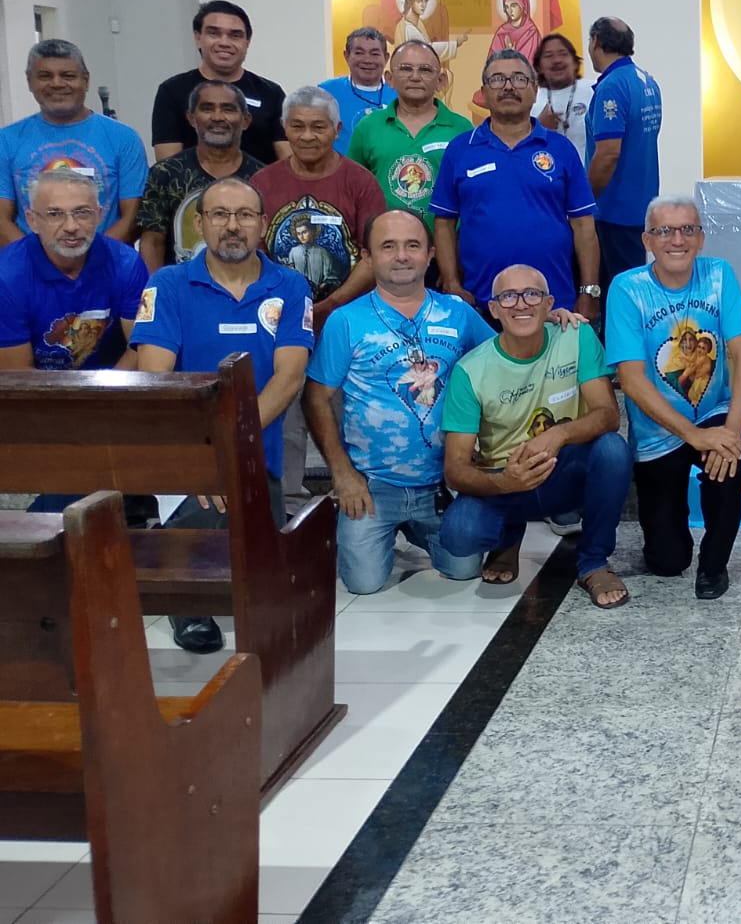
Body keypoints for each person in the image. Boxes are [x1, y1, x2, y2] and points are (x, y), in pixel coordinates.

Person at [131, 176, 315, 653]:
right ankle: (184, 598)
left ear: (264, 224)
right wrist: (206, 458)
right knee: (206, 520)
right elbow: (158, 380)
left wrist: (235, 444)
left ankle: (188, 560)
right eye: (219, 215)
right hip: (188, 453)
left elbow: (289, 378)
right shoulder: (167, 284)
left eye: (245, 215)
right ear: (199, 223)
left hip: (259, 456)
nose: (232, 226)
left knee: (264, 587)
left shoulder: (291, 286)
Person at [303, 210, 495, 593]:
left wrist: (551, 322)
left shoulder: (458, 313)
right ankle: (374, 530)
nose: (402, 256)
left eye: (412, 246)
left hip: (443, 484)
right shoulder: (346, 321)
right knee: (363, 584)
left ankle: (420, 532)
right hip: (371, 487)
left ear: (430, 255)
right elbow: (316, 398)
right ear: (368, 257)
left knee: (464, 569)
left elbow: (505, 359)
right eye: (388, 247)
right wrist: (341, 473)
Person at [438, 263, 631, 600]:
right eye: (509, 297)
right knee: (459, 535)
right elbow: (454, 469)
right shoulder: (470, 371)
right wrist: (504, 482)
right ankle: (507, 538)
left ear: (549, 303)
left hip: (563, 470)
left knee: (612, 450)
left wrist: (558, 435)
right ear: (494, 309)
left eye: (532, 294)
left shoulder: (576, 336)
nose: (522, 304)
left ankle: (594, 562)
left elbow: (607, 415)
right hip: (504, 478)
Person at [608, 196, 741, 601]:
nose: (677, 239)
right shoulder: (627, 289)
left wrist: (731, 432)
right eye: (665, 231)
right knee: (667, 560)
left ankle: (714, 565)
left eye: (688, 229)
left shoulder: (719, 275)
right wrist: (694, 436)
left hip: (713, 412)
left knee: (727, 468)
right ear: (647, 240)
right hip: (658, 430)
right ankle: (670, 544)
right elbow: (632, 380)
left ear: (701, 237)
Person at [253, 85, 386, 517]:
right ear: (284, 129)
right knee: (286, 418)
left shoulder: (359, 181)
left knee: (348, 419)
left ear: (337, 129)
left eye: (318, 127)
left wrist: (330, 305)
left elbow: (372, 254)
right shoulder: (263, 183)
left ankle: (358, 502)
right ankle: (289, 505)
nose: (308, 136)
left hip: (344, 321)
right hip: (279, 326)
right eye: (298, 126)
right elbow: (256, 254)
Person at [433, 50, 601, 319]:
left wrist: (589, 290)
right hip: (481, 305)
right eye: (498, 79)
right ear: (483, 92)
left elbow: (583, 225)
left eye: (519, 79)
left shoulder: (561, 149)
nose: (508, 86)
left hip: (556, 304)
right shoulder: (460, 150)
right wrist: (451, 283)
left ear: (535, 91)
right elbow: (444, 222)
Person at [0, 39, 146, 245]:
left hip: (106, 267)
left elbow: (133, 218)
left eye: (68, 76)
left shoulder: (124, 139)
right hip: (29, 271)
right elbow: (1, 221)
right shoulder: (5, 141)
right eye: (45, 76)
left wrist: (90, 259)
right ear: (29, 81)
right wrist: (38, 262)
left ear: (86, 81)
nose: (57, 84)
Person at [0, 169, 147, 371]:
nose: (71, 226)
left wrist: (105, 399)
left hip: (113, 390)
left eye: (82, 213)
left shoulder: (127, 264)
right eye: (55, 214)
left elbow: (141, 348)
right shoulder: (6, 276)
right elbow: (17, 373)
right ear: (32, 220)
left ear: (99, 216)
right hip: (36, 396)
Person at [138, 81, 266, 272]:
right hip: (181, 294)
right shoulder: (165, 174)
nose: (217, 117)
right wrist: (156, 294)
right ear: (191, 118)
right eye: (207, 109)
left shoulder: (263, 177)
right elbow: (152, 243)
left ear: (246, 120)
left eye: (228, 109)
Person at [347, 41, 473, 221]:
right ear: (389, 78)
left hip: (445, 244)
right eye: (406, 69)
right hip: (384, 242)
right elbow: (352, 188)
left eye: (425, 70)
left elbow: (472, 193)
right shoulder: (368, 127)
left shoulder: (462, 129)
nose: (415, 77)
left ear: (440, 81)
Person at [150, 0, 288, 165]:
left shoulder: (271, 93)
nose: (224, 42)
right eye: (214, 33)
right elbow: (167, 166)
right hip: (191, 189)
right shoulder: (172, 91)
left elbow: (287, 162)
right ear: (198, 37)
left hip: (258, 188)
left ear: (247, 42)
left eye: (235, 35)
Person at [585, 17, 661, 297]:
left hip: (613, 211)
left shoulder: (612, 87)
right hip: (640, 205)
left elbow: (607, 155)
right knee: (632, 291)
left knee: (617, 297)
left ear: (596, 42)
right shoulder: (647, 81)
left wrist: (582, 201)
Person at [318, 28, 394, 158]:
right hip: (341, 172)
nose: (367, 60)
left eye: (374, 54)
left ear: (386, 58)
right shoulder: (326, 92)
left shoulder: (398, 91)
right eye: (359, 53)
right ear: (346, 56)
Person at [531, 34, 594, 165]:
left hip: (590, 178)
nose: (557, 60)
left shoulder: (594, 90)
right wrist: (539, 126)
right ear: (539, 67)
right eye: (549, 56)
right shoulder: (530, 98)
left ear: (575, 62)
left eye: (563, 54)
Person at [491, 0, 541, 64]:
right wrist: (506, 55)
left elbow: (535, 63)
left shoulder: (531, 32)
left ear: (523, 6)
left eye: (513, 6)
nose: (510, 11)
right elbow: (492, 62)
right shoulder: (501, 32)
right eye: (507, 7)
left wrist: (513, 54)